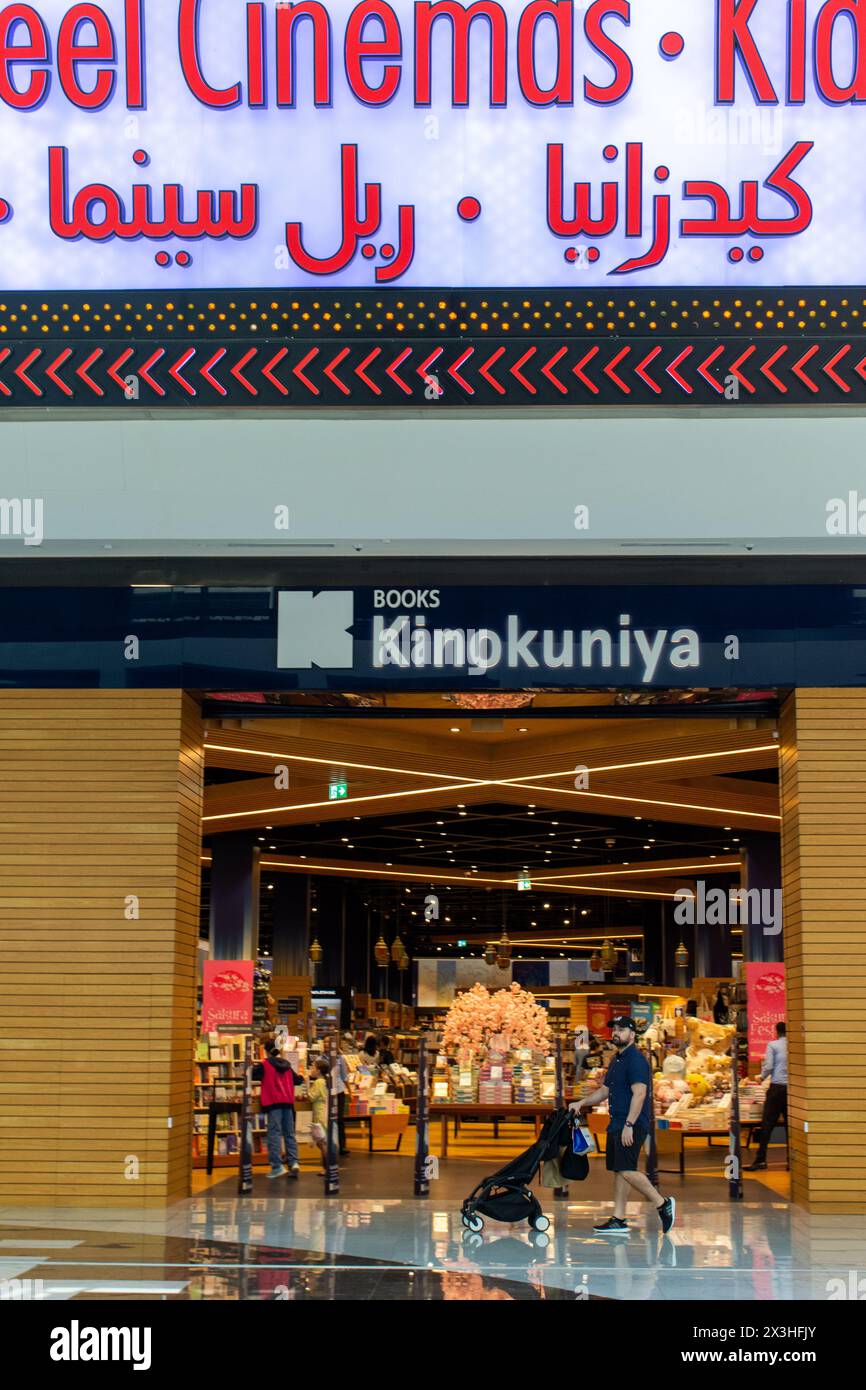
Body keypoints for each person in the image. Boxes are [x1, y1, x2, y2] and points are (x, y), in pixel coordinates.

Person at [571, 1015, 676, 1236]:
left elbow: (640, 1094)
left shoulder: (636, 1060)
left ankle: (662, 1203)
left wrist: (629, 1124)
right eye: (614, 1029)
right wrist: (582, 1102)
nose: (616, 1032)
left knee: (627, 1169)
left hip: (632, 1123)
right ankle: (619, 1218)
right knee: (619, 1170)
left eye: (621, 1029)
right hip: (617, 1121)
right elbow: (605, 1091)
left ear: (632, 1034)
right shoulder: (617, 1060)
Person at [252, 1038, 304, 1180]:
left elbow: (249, 1074)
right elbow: (298, 1080)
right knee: (289, 1133)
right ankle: (293, 1163)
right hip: (288, 1102)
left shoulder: (264, 1065)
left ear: (267, 1051)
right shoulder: (287, 1065)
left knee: (274, 1134)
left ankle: (277, 1166)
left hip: (273, 1103)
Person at [746, 1022, 787, 1171]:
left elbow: (769, 1066)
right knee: (791, 1126)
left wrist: (761, 1077)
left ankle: (761, 1160)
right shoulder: (795, 1045)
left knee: (767, 1124)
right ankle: (792, 1160)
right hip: (792, 1090)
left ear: (777, 1032)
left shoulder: (773, 1045)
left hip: (776, 1089)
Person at [307, 1058, 331, 1173]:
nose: (311, 1069)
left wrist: (307, 1088)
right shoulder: (325, 1081)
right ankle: (327, 1167)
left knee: (322, 1142)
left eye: (313, 1067)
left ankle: (327, 1167)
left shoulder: (318, 1082)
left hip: (319, 1113)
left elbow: (312, 1097)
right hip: (324, 1112)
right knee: (323, 1141)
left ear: (319, 1070)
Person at [332, 1033, 354, 1156]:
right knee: (329, 1119)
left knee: (340, 1119)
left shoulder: (341, 1059)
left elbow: (344, 1076)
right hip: (327, 1092)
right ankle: (331, 1144)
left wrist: (349, 1091)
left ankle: (342, 1146)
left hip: (339, 1091)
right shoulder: (321, 1059)